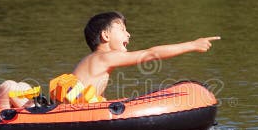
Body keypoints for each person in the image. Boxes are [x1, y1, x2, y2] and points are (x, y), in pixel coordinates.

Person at [50, 11, 220, 103]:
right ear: (106, 36)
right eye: (122, 29)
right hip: (71, 113)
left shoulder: (92, 59)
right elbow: (152, 54)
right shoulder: (105, 57)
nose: (128, 34)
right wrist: (192, 45)